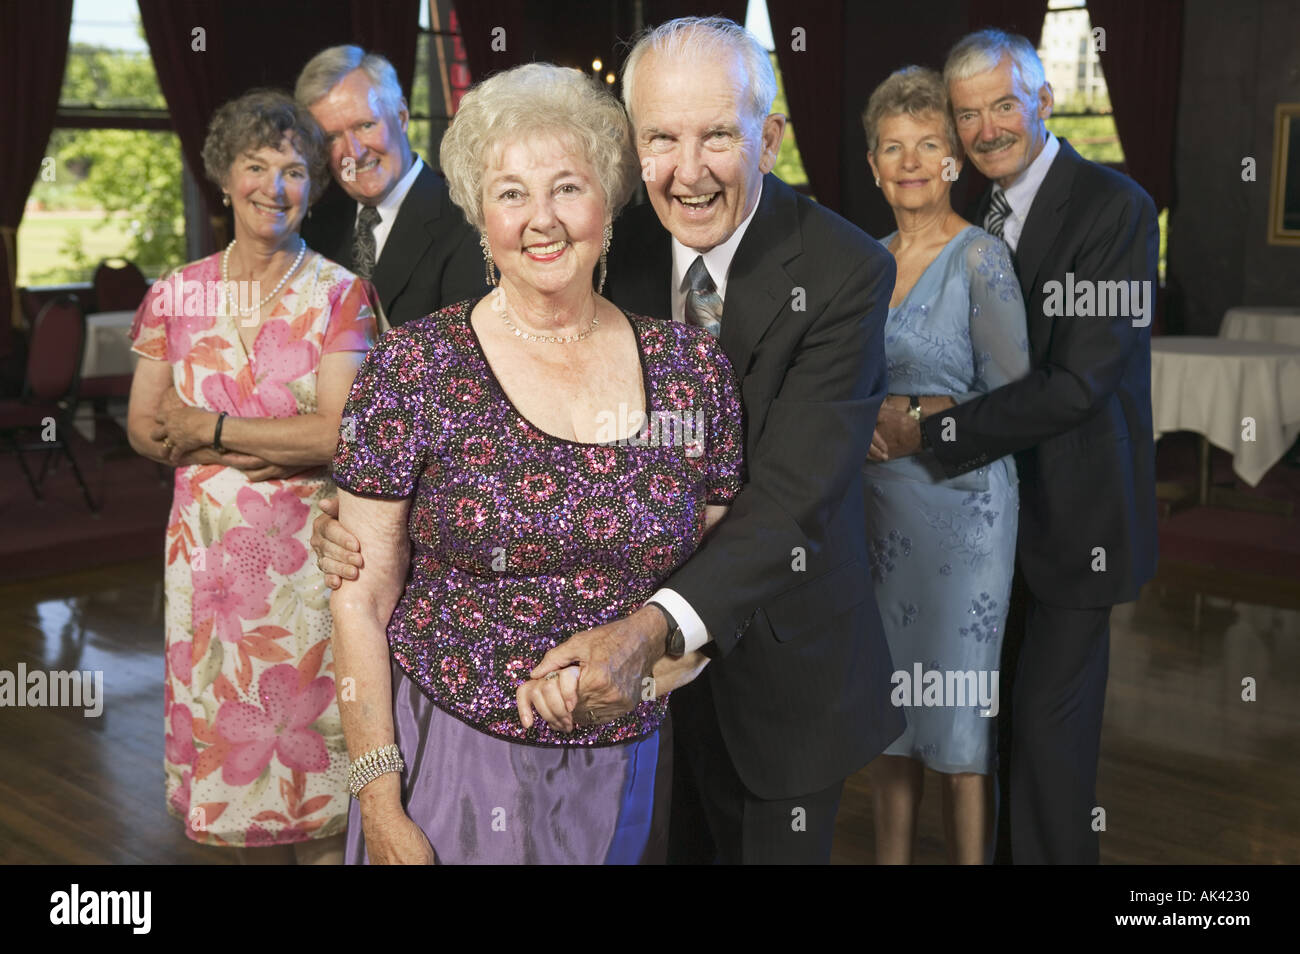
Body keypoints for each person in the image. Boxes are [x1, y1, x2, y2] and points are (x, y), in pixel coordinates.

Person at [327, 63, 742, 865]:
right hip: (444, 758)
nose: (541, 220)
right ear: (481, 216)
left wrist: (650, 680)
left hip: (624, 768)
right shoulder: (415, 366)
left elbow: (723, 581)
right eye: (512, 193)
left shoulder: (691, 369)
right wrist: (379, 801)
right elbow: (360, 596)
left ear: (609, 202)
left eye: (566, 187)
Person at [527, 17, 903, 864]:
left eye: (718, 136)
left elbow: (792, 498)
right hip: (613, 687)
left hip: (780, 675)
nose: (687, 172)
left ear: (768, 138)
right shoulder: (598, 254)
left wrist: (653, 630)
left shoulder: (844, 272)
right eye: (661, 137)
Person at [875, 29, 1158, 865]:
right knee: (987, 738)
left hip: (1076, 524)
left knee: (1046, 745)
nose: (988, 128)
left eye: (1004, 104)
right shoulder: (968, 218)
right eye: (968, 115)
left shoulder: (1116, 206)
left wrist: (933, 430)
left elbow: (1080, 382)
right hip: (978, 527)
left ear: (1042, 99)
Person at [126, 89, 378, 863]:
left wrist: (211, 430)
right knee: (237, 792)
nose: (276, 186)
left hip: (306, 576)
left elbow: (340, 433)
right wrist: (273, 447)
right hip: (208, 579)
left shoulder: (342, 294)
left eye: (295, 170)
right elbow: (144, 426)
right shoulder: (175, 292)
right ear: (224, 177)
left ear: (314, 185)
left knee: (318, 797)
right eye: (257, 166)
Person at [860, 66, 1029, 865]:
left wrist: (916, 420)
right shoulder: (863, 264)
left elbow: (1014, 403)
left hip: (966, 515)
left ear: (954, 159)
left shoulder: (983, 260)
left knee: (958, 716)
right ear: (873, 166)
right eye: (894, 148)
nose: (912, 161)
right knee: (891, 714)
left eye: (930, 143)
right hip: (877, 513)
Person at [296, 46, 487, 327]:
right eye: (332, 137)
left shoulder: (467, 219)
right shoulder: (316, 230)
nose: (354, 151)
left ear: (401, 117)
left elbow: (463, 357)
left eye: (365, 125)